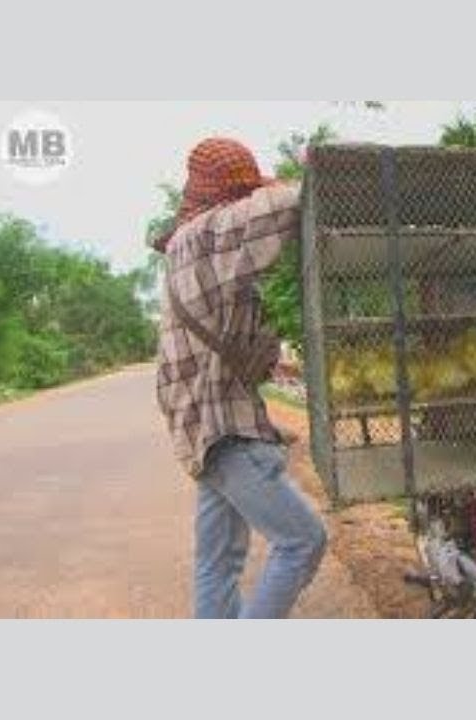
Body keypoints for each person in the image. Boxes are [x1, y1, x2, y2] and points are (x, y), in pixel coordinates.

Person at [152, 137, 327, 619]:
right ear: (226, 195)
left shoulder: (182, 250)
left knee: (218, 562)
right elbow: (280, 204)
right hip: (224, 430)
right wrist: (317, 170)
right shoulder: (205, 235)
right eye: (243, 191)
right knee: (304, 541)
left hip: (203, 433)